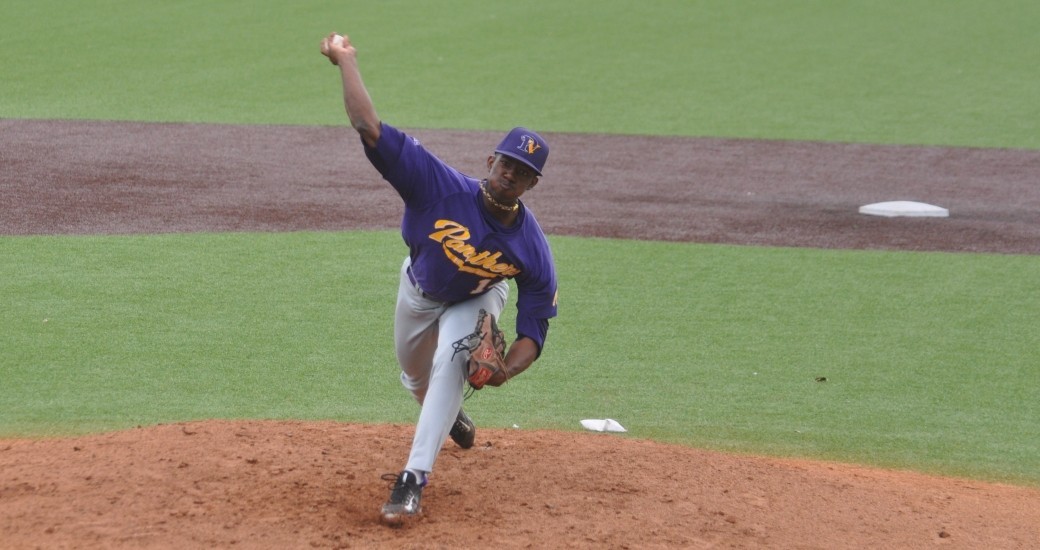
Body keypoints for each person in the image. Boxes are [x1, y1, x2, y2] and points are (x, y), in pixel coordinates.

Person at [319, 32, 559, 525]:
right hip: (419, 290)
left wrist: (506, 370)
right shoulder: (436, 184)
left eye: (523, 172)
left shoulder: (532, 249)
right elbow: (368, 126)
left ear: (533, 184)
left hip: (478, 297)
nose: (511, 175)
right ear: (490, 161)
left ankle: (412, 480)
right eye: (507, 163)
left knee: (453, 356)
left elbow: (535, 329)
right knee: (414, 376)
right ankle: (448, 416)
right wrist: (345, 60)